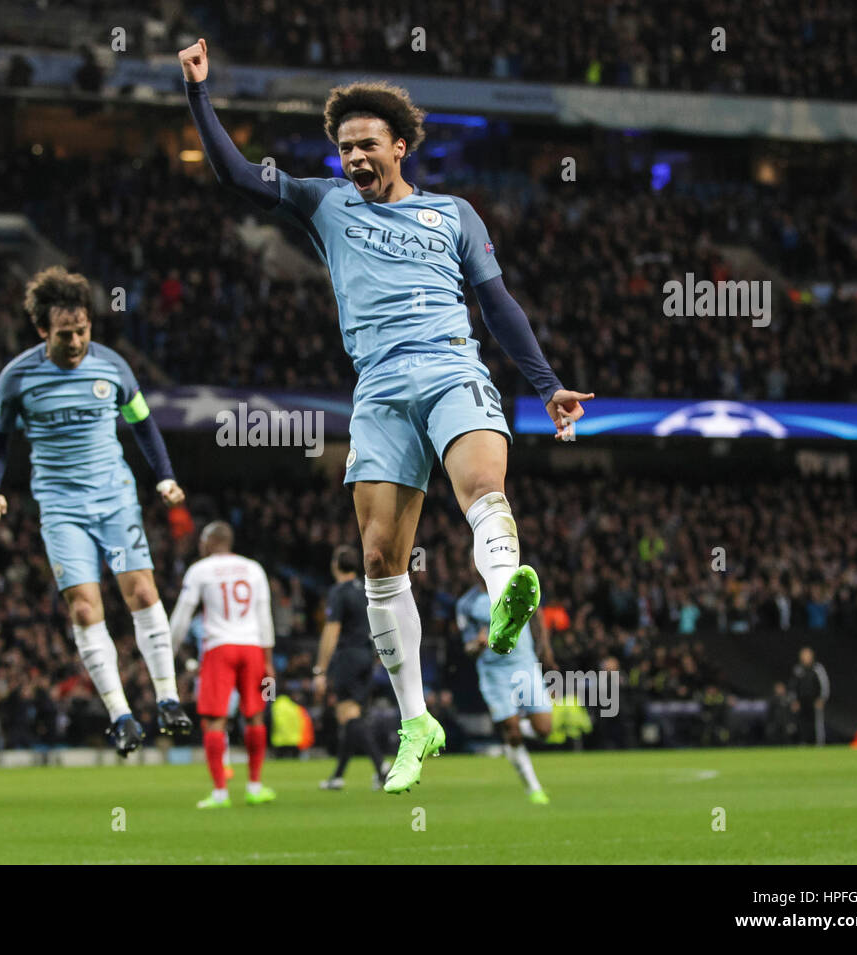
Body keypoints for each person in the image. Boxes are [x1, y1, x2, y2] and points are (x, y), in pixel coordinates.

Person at [179, 38, 591, 792]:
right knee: (377, 560)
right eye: (344, 147)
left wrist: (548, 383)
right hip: (377, 388)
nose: (354, 157)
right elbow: (237, 176)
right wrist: (198, 94)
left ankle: (505, 594)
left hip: (450, 366)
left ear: (399, 146)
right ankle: (415, 720)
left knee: (481, 489)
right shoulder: (323, 202)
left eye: (367, 144)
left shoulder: (454, 215)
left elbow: (497, 305)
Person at [0, 266, 192, 756]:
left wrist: (164, 476)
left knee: (142, 590)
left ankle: (167, 698)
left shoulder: (113, 367)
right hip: (60, 506)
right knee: (82, 606)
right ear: (42, 331)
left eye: (82, 331)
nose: (75, 341)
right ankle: (120, 715)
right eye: (64, 334)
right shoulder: (18, 377)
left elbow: (143, 427)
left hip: (114, 497)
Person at [169, 521, 276, 808]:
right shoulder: (254, 568)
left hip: (219, 647)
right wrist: (268, 660)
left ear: (209, 542)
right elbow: (265, 616)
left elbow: (182, 616)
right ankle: (255, 786)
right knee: (254, 715)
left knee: (215, 718)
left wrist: (168, 650)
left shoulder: (200, 570)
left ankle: (220, 793)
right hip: (252, 646)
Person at [457, 583, 554, 804]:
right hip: (494, 672)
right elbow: (468, 647)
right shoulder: (467, 603)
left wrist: (546, 649)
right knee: (512, 731)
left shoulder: (513, 584)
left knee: (544, 729)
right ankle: (533, 788)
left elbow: (536, 613)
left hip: (525, 664)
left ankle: (510, 730)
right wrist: (479, 645)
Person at [314, 544, 390, 790]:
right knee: (349, 716)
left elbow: (332, 630)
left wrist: (321, 669)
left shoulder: (339, 591)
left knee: (349, 714)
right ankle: (338, 776)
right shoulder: (367, 590)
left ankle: (382, 767)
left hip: (348, 657)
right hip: (368, 657)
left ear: (335, 565)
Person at [790, 646, 830, 745]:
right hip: (801, 702)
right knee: (802, 723)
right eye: (804, 655)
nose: (806, 657)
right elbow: (793, 686)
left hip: (814, 701)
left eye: (808, 655)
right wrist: (794, 700)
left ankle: (819, 743)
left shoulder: (818, 668)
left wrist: (822, 698)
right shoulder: (798, 670)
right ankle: (804, 742)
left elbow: (824, 684)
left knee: (817, 723)